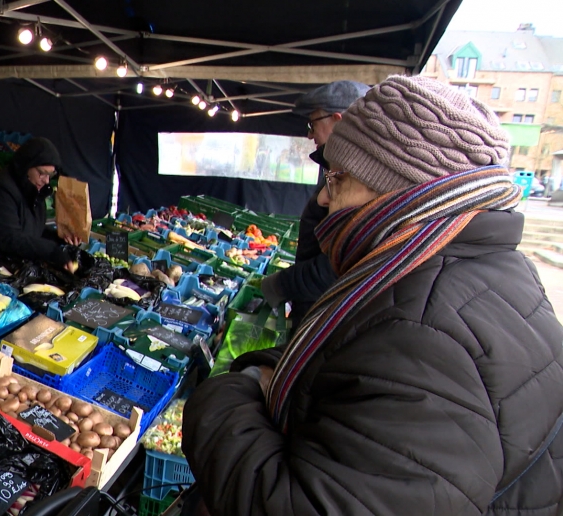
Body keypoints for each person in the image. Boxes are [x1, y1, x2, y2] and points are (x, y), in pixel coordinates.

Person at [182, 76, 563, 514]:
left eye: (338, 178)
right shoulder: (501, 269)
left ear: (399, 190)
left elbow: (297, 504)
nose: (323, 196)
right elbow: (365, 372)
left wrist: (223, 395)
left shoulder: (422, 333)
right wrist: (277, 368)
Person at [259, 80, 369, 331]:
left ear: (338, 121)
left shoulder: (360, 179)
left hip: (325, 318)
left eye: (313, 124)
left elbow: (340, 263)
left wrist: (281, 285)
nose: (309, 134)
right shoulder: (337, 167)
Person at [0, 137, 81, 270]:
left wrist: (59, 237)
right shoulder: (0, 189)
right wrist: (51, 251)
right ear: (26, 165)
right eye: (42, 173)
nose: (46, 180)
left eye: (50, 175)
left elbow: (32, 230)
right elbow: (10, 238)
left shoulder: (35, 190)